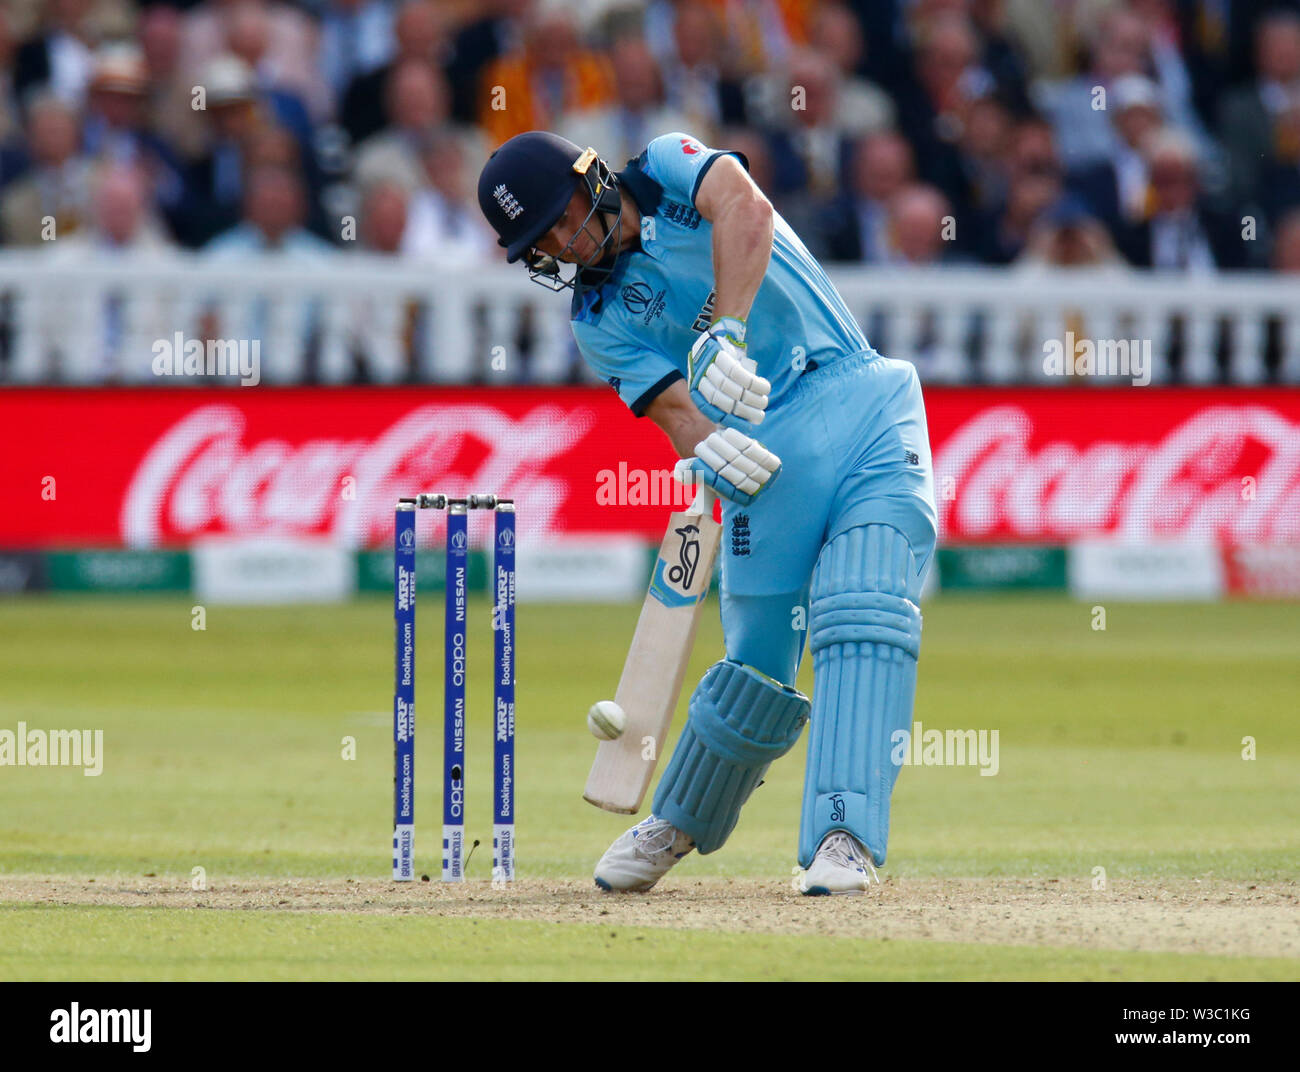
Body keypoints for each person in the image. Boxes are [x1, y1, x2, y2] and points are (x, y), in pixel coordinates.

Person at [477, 131, 937, 895]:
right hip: (765, 460)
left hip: (864, 404)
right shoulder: (596, 321)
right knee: (756, 658)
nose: (563, 243)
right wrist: (709, 447)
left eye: (561, 216)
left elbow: (745, 209)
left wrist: (727, 327)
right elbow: (677, 415)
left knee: (862, 609)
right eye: (542, 243)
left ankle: (842, 835)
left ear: (590, 174)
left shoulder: (664, 167)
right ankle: (679, 818)